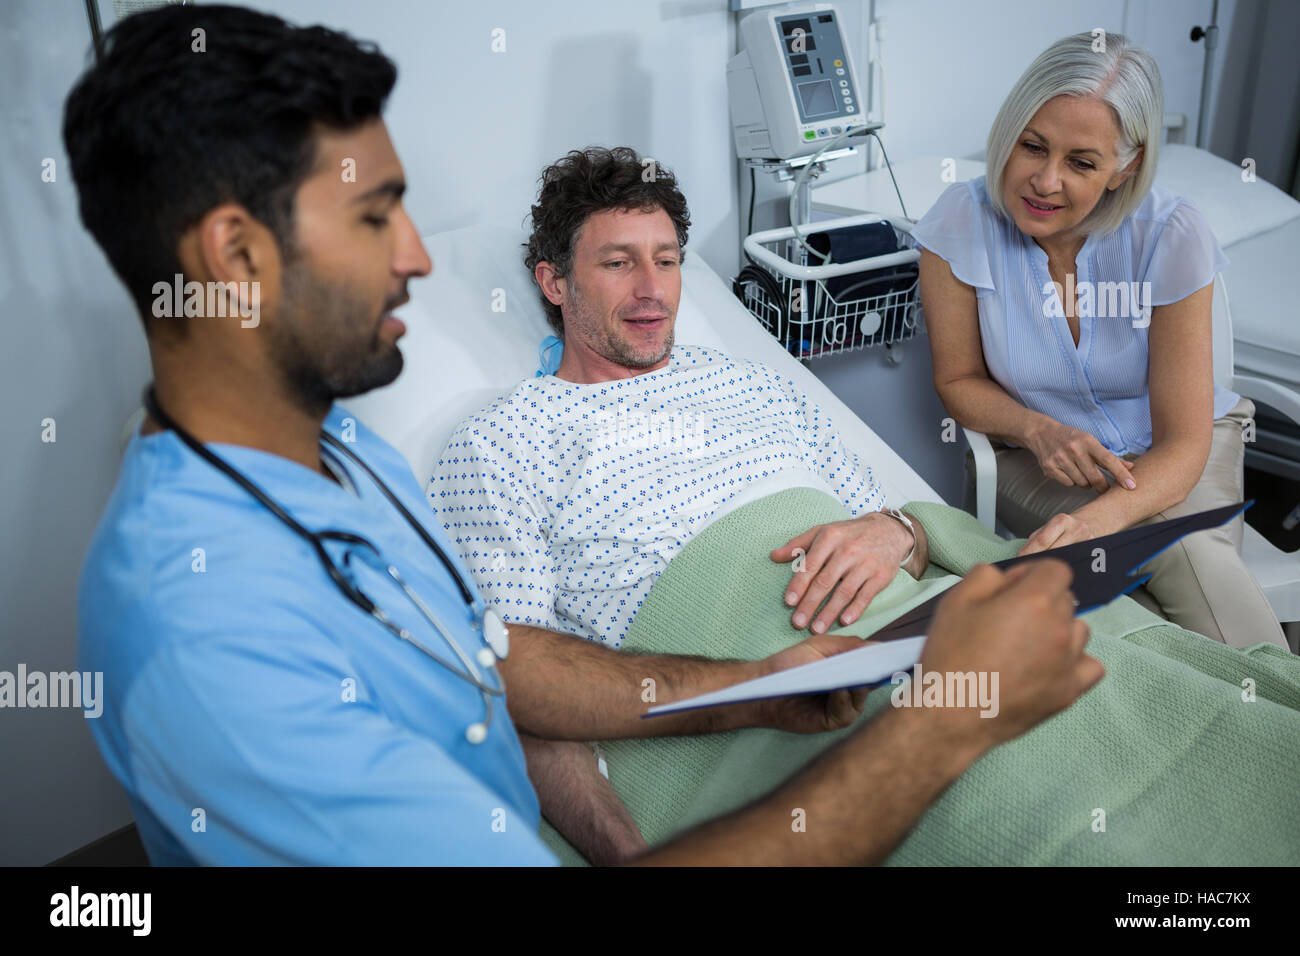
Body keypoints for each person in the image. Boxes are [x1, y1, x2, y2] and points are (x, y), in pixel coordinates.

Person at [66, 3, 1102, 866]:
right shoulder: (209, 638)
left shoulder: (335, 454)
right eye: (377, 215)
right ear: (235, 251)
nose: (420, 259)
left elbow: (500, 657)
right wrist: (941, 725)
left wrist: (760, 688)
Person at [914, 31, 1287, 650]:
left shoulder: (1171, 233)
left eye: (1082, 163)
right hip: (1037, 464)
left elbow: (1185, 440)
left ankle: (1264, 727)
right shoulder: (960, 221)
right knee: (1167, 561)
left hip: (1184, 451)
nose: (1045, 181)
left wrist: (1100, 522)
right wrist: (1038, 429)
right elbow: (957, 381)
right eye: (1032, 146)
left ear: (1127, 166)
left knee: (1160, 557)